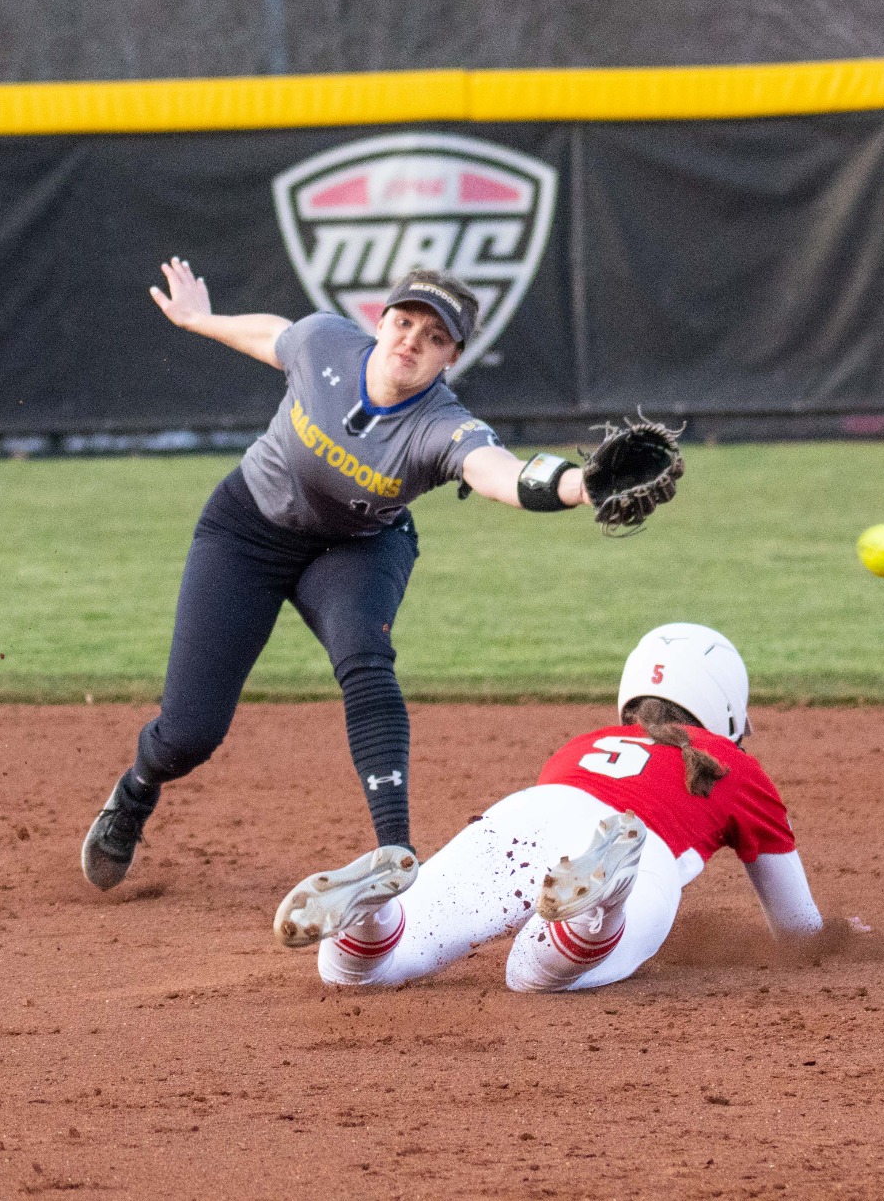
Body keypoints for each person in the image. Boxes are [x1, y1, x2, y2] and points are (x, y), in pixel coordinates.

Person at [81, 258, 626, 892]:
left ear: (450, 358)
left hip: (356, 549)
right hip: (246, 531)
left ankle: (396, 855)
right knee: (189, 732)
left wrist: (579, 486)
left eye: (434, 337)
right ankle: (137, 789)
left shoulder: (442, 426)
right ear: (382, 319)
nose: (412, 342)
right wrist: (203, 321)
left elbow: (497, 471)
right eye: (405, 322)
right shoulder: (325, 343)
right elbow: (272, 337)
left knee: (366, 661)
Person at [272, 624, 841, 993]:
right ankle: (605, 903)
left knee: (368, 974)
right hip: (645, 849)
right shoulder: (733, 765)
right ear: (724, 705)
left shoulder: (584, 745)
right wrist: (831, 938)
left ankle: (372, 914)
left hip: (526, 814)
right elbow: (797, 928)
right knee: (530, 976)